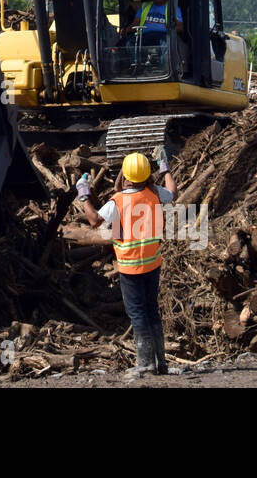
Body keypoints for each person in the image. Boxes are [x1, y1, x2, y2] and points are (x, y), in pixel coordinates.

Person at [77, 149, 176, 376]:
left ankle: (145, 364)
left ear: (126, 175)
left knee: (138, 313)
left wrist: (83, 194)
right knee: (151, 310)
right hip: (152, 263)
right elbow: (173, 192)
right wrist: (165, 167)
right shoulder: (154, 192)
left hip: (130, 267)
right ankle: (161, 363)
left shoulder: (118, 201)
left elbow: (94, 220)